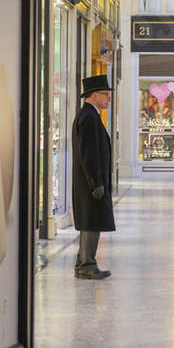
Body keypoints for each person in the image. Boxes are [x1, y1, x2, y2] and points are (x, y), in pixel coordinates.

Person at [71, 74, 115, 279]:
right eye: (105, 94)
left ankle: (83, 262)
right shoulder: (88, 117)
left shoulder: (89, 115)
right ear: (94, 95)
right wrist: (96, 183)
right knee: (91, 223)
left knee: (91, 222)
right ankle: (87, 264)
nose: (109, 98)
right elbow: (88, 153)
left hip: (90, 182)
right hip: (90, 184)